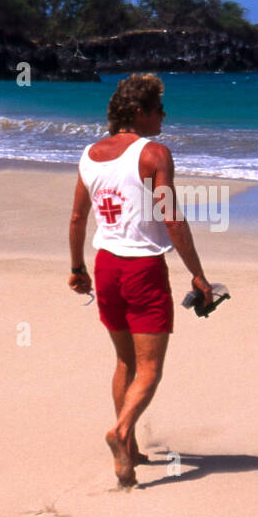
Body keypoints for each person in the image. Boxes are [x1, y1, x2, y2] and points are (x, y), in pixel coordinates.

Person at [68, 73, 214, 487]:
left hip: (106, 265)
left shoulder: (90, 154)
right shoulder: (153, 154)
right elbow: (171, 217)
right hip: (143, 270)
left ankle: (128, 450)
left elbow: (78, 217)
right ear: (138, 113)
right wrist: (198, 275)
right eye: (157, 109)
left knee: (124, 361)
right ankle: (120, 431)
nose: (164, 116)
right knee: (150, 369)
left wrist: (77, 268)